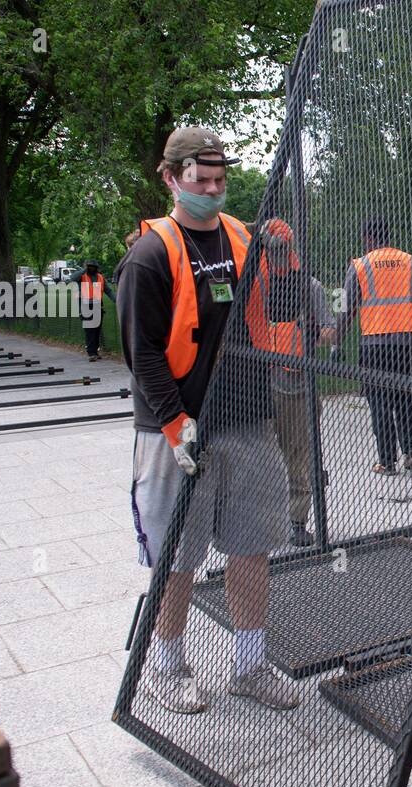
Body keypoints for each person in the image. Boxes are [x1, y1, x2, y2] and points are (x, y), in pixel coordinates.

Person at [117, 126, 297, 715]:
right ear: (170, 179)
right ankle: (166, 667)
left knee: (251, 546)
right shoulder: (149, 255)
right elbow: (142, 352)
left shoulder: (244, 238)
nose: (215, 192)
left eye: (221, 181)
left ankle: (249, 665)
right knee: (178, 554)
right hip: (178, 428)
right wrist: (175, 424)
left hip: (245, 419)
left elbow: (281, 312)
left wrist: (288, 258)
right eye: (203, 182)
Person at [245, 217, 335, 547]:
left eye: (285, 249)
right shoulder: (255, 286)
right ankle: (266, 517)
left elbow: (329, 330)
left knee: (300, 455)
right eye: (273, 250)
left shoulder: (308, 286)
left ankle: (297, 519)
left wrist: (316, 332)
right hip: (262, 383)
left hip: (298, 385)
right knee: (264, 456)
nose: (280, 255)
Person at [342, 218, 412, 474]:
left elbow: (346, 308)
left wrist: (337, 340)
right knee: (403, 398)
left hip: (374, 344)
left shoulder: (360, 266)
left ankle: (387, 460)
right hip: (405, 342)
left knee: (379, 402)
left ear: (369, 237)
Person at [79, 261, 115, 361]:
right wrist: (84, 270)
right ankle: (91, 353)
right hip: (85, 307)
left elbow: (108, 291)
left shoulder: (100, 277)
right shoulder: (82, 276)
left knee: (96, 330)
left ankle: (95, 351)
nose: (91, 269)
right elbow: (72, 278)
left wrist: (117, 300)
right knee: (90, 330)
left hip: (98, 307)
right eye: (89, 267)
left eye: (93, 267)